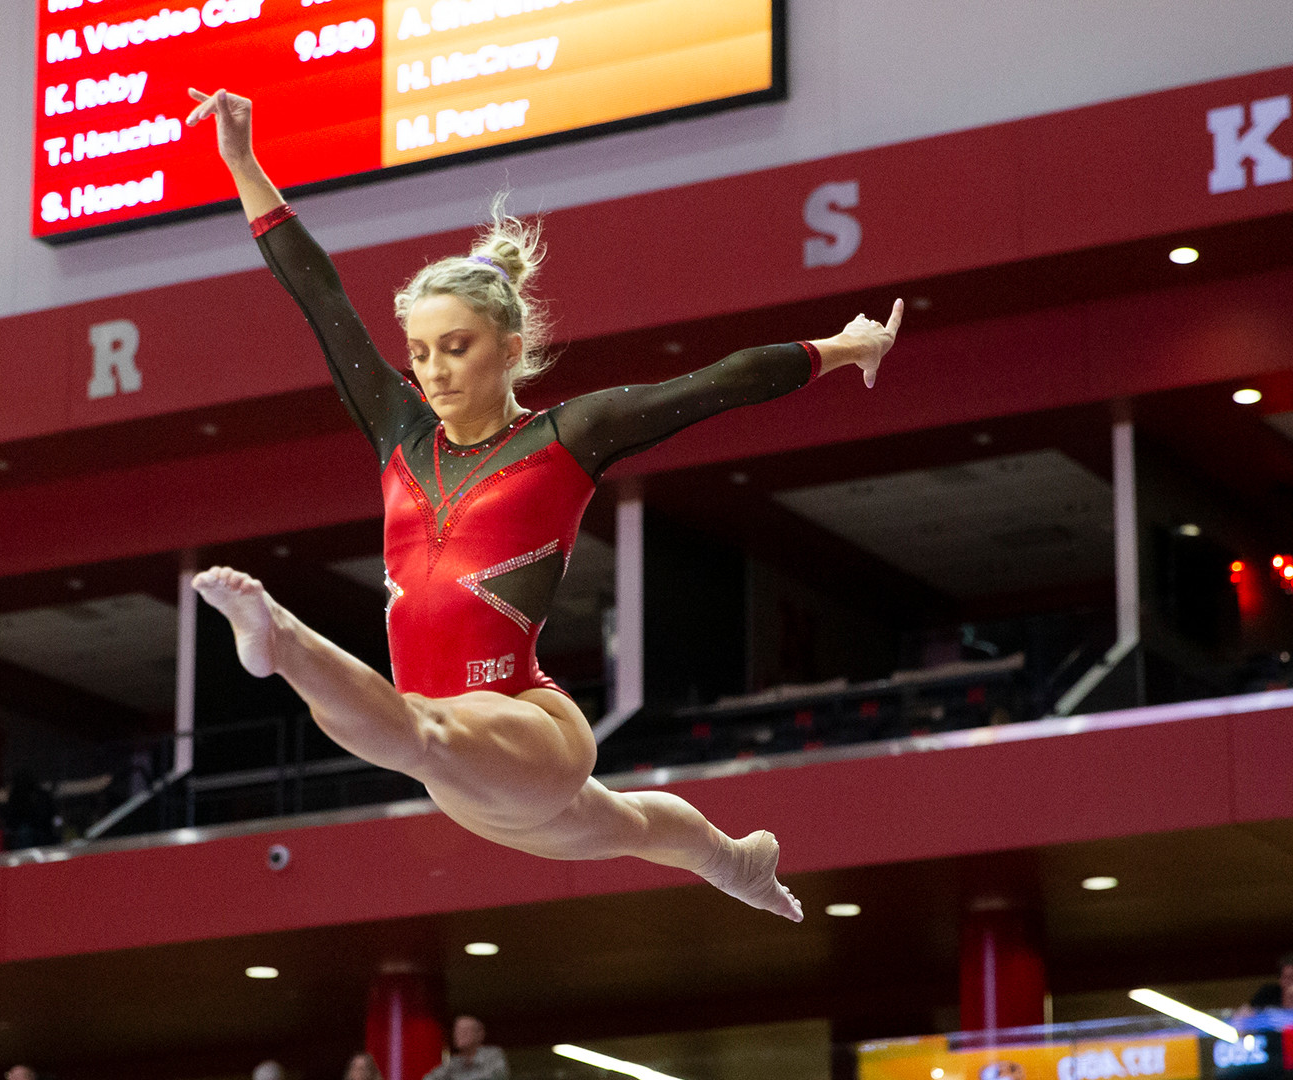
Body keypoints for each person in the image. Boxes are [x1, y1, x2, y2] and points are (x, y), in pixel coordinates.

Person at [184, 87, 904, 920]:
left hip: (522, 726)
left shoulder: (568, 438)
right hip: (471, 786)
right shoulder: (399, 434)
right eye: (419, 354)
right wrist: (243, 161)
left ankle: (279, 635)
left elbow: (718, 384)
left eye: (456, 348)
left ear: (510, 347)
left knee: (418, 731)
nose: (433, 372)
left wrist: (849, 346)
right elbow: (321, 299)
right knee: (629, 822)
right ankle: (733, 862)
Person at [423, 1016, 507, 1080]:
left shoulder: (493, 1054)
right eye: (457, 1031)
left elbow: (493, 1076)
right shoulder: (454, 1062)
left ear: (479, 1035)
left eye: (465, 1031)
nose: (459, 1035)